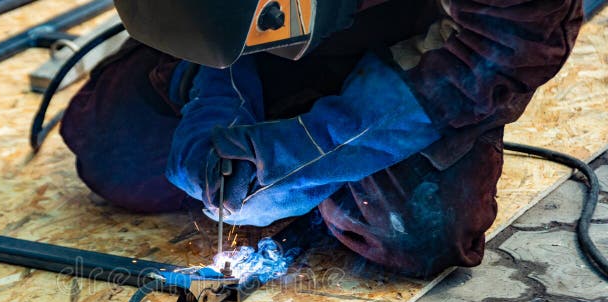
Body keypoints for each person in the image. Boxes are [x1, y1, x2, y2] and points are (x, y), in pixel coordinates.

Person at [60, 0, 583, 277]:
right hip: (262, 40)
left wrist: (322, 144)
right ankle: (279, 135)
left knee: (415, 230)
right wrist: (216, 87)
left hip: (419, 53)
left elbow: (502, 43)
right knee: (115, 158)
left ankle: (327, 167)